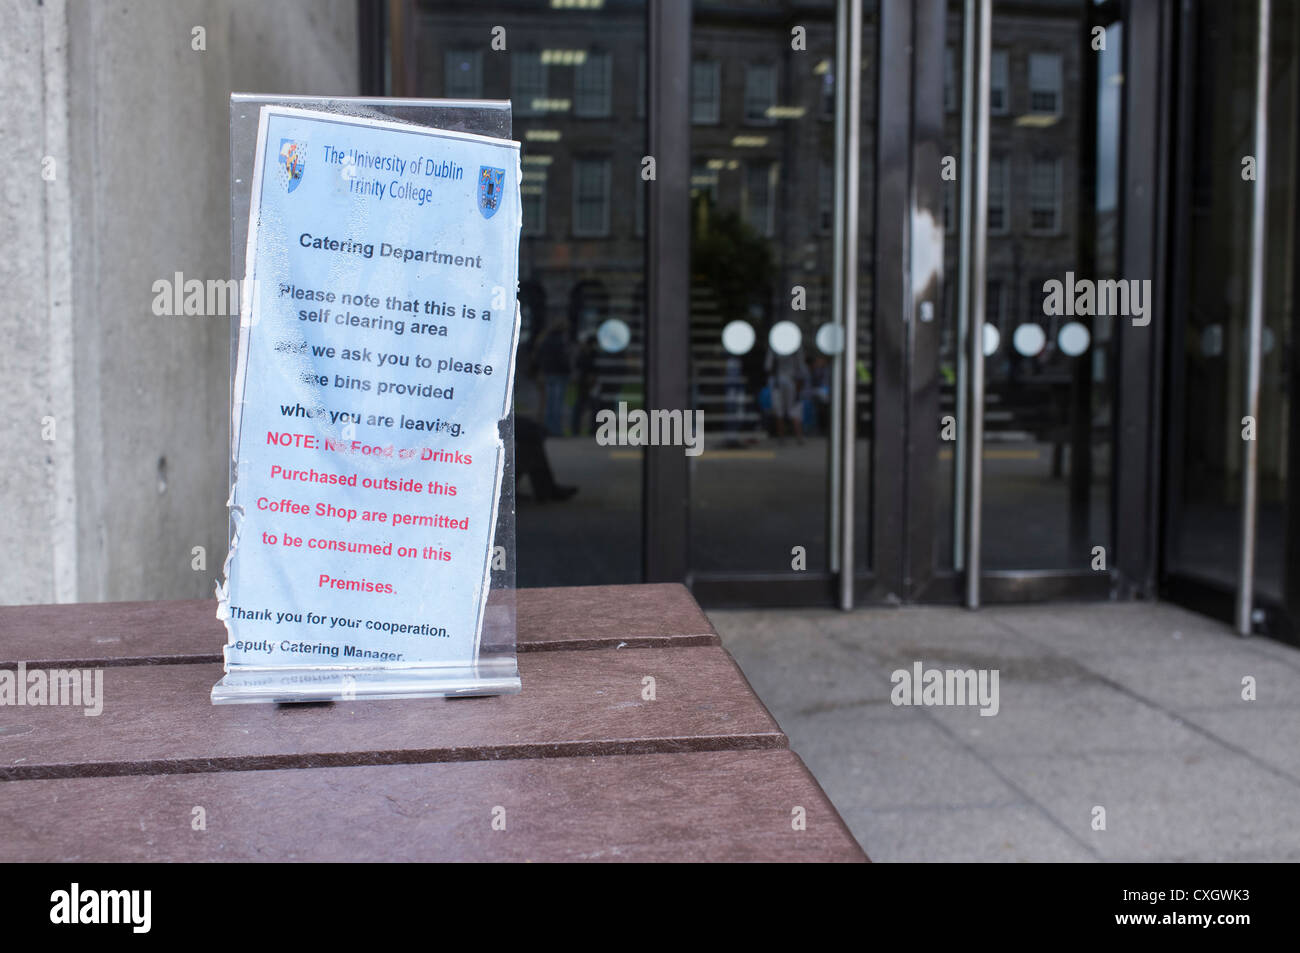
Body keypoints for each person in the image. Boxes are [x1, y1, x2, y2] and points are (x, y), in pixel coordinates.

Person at [533, 320, 571, 437]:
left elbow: (539, 357)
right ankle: (556, 429)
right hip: (559, 373)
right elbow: (564, 358)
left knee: (549, 403)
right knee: (557, 404)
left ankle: (548, 428)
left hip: (548, 373)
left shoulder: (544, 340)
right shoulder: (562, 342)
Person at [765, 341, 808, 444]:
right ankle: (797, 437)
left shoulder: (780, 344)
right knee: (791, 409)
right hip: (787, 381)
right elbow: (801, 368)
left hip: (783, 381)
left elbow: (767, 366)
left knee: (782, 410)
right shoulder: (779, 343)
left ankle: (784, 438)